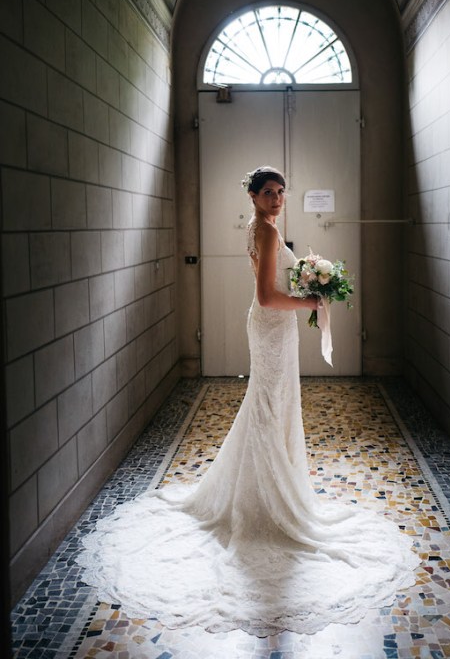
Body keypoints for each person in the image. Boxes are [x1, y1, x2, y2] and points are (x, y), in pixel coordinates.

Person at [78, 166, 419, 636]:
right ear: (254, 197)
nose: (277, 198)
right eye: (268, 193)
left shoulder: (266, 228)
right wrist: (311, 303)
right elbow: (265, 297)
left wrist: (305, 285)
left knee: (273, 407)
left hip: (277, 333)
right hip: (271, 329)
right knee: (266, 408)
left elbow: (275, 285)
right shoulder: (264, 229)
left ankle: (269, 489)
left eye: (281, 192)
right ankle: (262, 501)